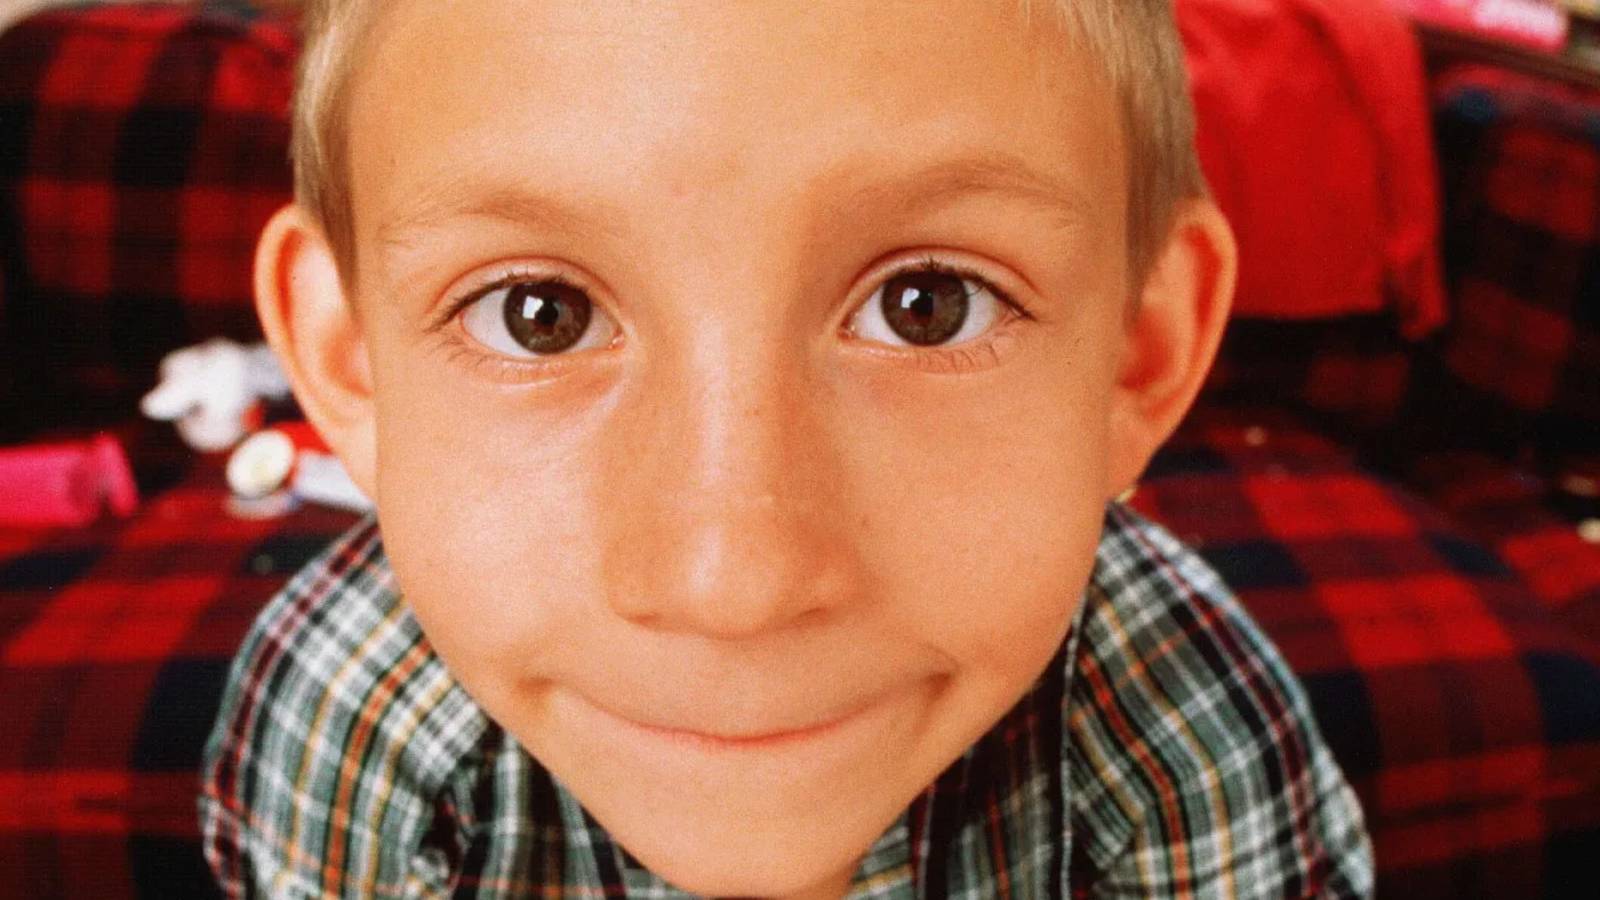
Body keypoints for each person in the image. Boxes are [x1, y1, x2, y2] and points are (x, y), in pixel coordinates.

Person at [199, 0, 1374, 896]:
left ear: (1136, 354)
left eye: (927, 306)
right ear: (351, 364)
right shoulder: (344, 723)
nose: (735, 585)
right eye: (537, 315)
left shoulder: (1186, 732)